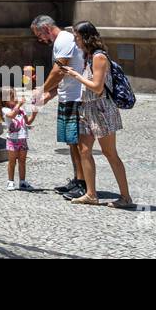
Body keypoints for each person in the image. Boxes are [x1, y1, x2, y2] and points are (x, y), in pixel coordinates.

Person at [58, 21, 134, 208]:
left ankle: (126, 197)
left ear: (85, 37)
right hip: (87, 108)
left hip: (101, 109)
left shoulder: (99, 57)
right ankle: (91, 194)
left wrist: (76, 75)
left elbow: (98, 87)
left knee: (110, 153)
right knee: (84, 151)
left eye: (76, 36)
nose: (74, 39)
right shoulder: (88, 56)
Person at [30, 15, 86, 199]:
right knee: (71, 142)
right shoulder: (60, 42)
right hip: (67, 96)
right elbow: (63, 79)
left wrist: (41, 89)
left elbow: (59, 70)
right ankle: (78, 179)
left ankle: (83, 184)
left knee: (76, 143)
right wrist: (48, 96)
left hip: (76, 98)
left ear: (46, 28)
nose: (41, 40)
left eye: (40, 35)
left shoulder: (63, 39)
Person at [0, 87, 36, 191]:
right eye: (12, 96)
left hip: (22, 139)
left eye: (15, 96)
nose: (15, 98)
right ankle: (10, 181)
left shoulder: (21, 109)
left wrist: (34, 113)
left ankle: (22, 181)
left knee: (22, 161)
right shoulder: (5, 109)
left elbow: (28, 122)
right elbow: (11, 115)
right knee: (12, 161)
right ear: (5, 100)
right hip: (12, 140)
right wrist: (19, 105)